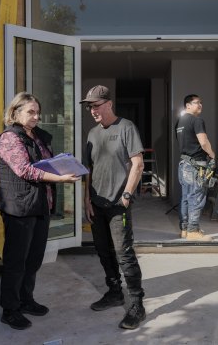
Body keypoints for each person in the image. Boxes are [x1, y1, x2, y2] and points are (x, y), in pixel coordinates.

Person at [0, 92, 80, 330]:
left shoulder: (37, 137)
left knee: (33, 259)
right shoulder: (11, 138)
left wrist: (64, 164)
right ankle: (9, 310)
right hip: (19, 207)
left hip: (40, 204)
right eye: (30, 112)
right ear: (15, 113)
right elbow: (25, 170)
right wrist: (60, 178)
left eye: (37, 112)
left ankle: (25, 300)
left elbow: (45, 164)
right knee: (16, 261)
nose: (36, 116)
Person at [81, 85, 146, 330]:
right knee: (103, 250)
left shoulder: (126, 127)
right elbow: (89, 169)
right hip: (97, 204)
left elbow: (137, 164)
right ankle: (114, 292)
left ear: (108, 104)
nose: (92, 110)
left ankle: (137, 304)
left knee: (124, 253)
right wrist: (87, 199)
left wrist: (127, 195)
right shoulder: (92, 134)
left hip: (119, 203)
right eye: (89, 106)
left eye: (96, 105)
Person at [175, 94, 216, 241]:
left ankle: (185, 229)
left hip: (184, 164)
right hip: (195, 165)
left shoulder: (179, 122)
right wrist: (212, 155)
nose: (200, 105)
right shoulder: (196, 120)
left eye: (201, 102)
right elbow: (203, 142)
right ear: (188, 105)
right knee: (196, 197)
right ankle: (193, 230)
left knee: (186, 197)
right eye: (196, 103)